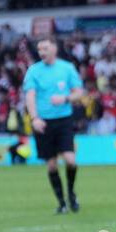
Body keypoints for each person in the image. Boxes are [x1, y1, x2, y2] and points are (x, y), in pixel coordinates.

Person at [22, 37, 85, 214]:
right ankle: (62, 203)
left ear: (54, 49)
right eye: (40, 49)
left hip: (64, 120)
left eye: (45, 48)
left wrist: (65, 98)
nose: (42, 52)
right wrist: (35, 118)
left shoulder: (67, 68)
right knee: (51, 165)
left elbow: (79, 93)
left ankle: (71, 193)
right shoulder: (33, 71)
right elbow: (30, 96)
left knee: (71, 160)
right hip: (43, 122)